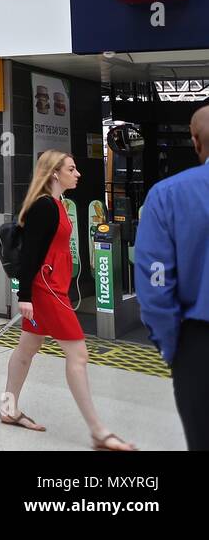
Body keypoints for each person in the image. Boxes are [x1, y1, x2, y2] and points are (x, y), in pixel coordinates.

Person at [0, 149, 136, 450]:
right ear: (54, 174)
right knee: (78, 355)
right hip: (46, 291)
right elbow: (31, 254)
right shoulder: (45, 207)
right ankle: (98, 431)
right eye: (71, 169)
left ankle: (8, 408)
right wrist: (24, 296)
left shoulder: (56, 203)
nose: (78, 173)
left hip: (49, 287)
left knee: (26, 349)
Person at [135, 105, 209, 450]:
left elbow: (155, 280)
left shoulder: (167, 196)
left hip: (199, 345)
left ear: (195, 141)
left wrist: (172, 346)